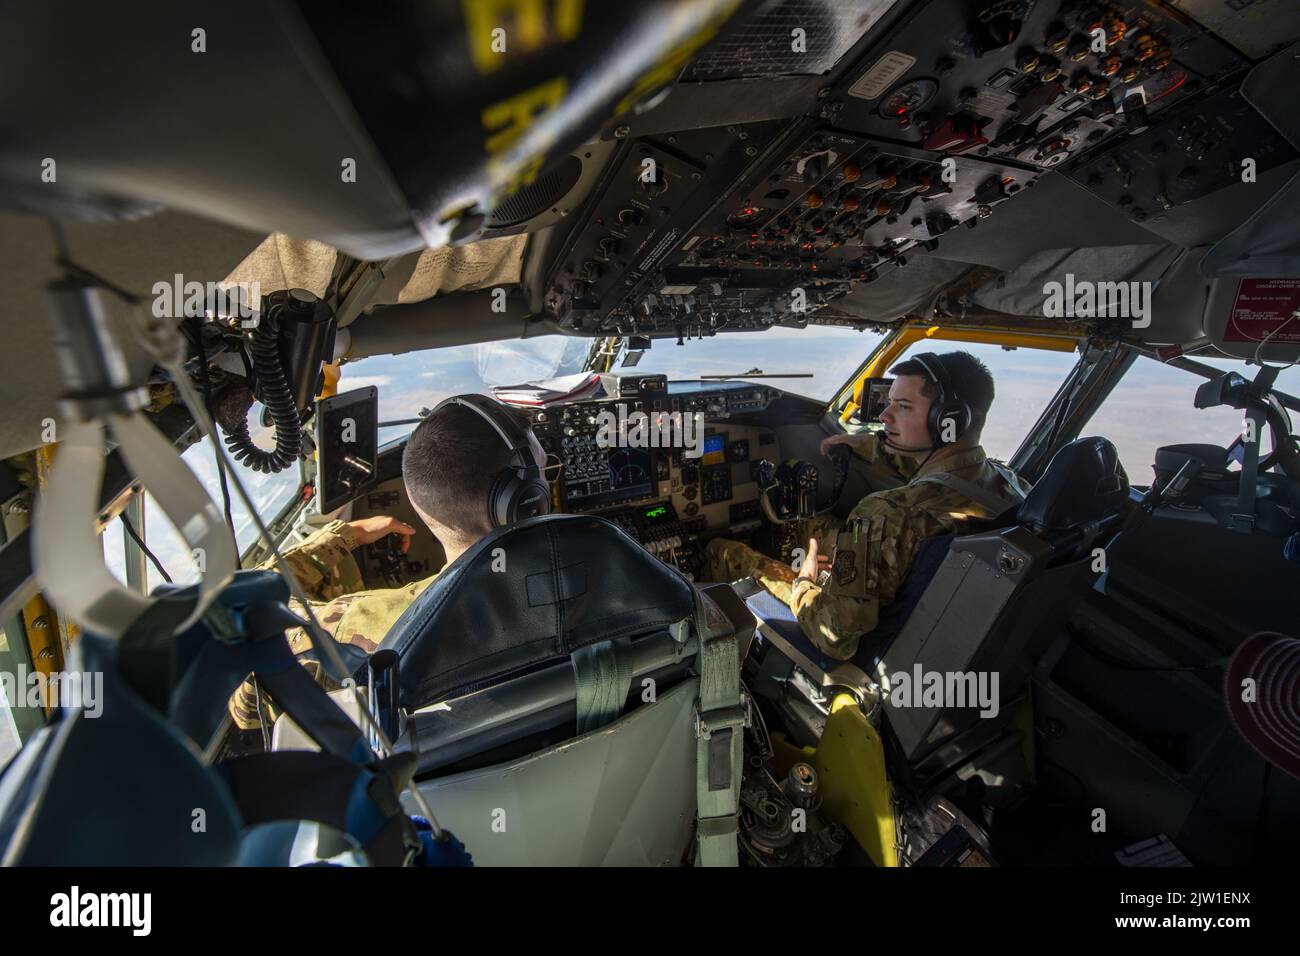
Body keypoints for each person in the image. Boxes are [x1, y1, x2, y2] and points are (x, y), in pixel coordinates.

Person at [229, 394, 549, 731]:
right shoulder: (604, 572)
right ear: (526, 503)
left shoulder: (342, 630)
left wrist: (343, 536)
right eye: (544, 472)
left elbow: (247, 704)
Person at [705, 351, 1030, 663]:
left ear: (948, 421)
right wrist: (871, 445)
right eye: (889, 402)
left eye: (903, 406)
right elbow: (945, 475)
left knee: (725, 551)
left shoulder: (886, 512)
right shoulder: (1011, 484)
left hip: (864, 650)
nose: (884, 416)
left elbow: (834, 637)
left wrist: (804, 583)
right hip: (946, 633)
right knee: (812, 525)